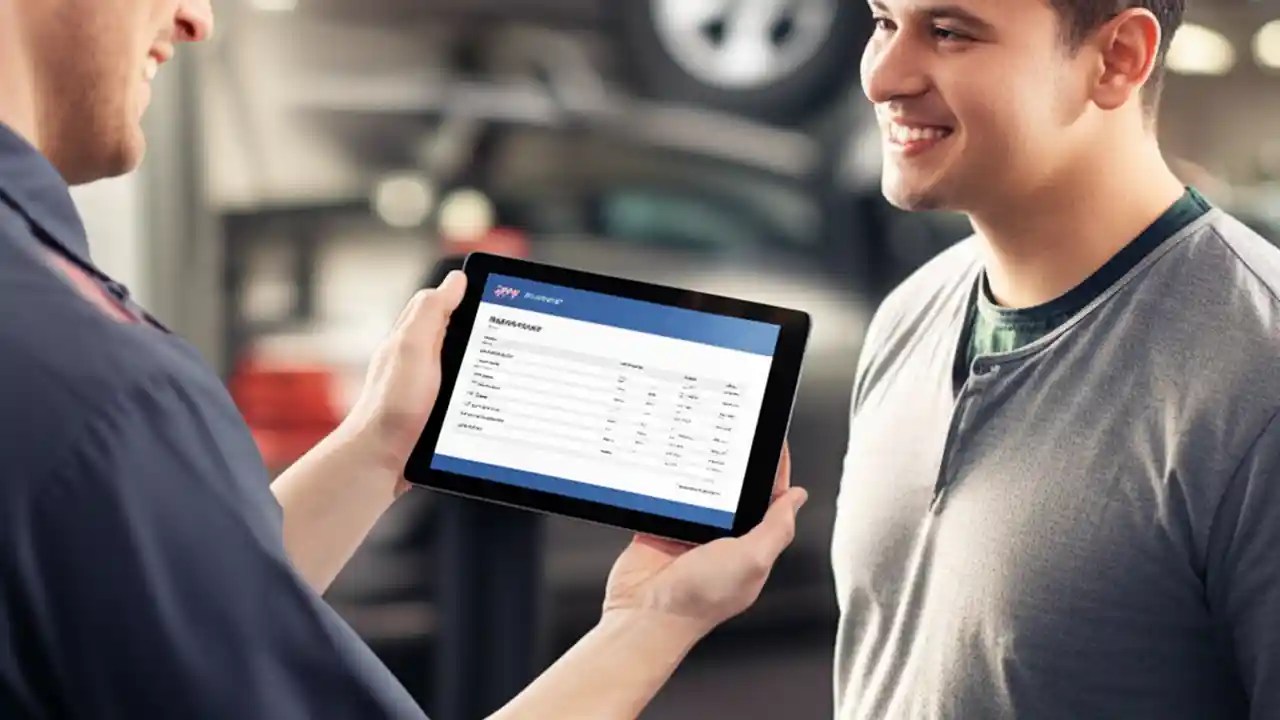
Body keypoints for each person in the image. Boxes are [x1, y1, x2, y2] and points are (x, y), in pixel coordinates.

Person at [0, 1, 809, 718]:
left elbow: (165, 624)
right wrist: (654, 618)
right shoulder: (108, 393)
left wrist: (379, 445)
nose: (196, 18)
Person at [834, 0, 1280, 717]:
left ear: (1117, 58)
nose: (883, 76)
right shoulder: (906, 317)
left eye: (948, 33)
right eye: (884, 21)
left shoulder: (1260, 378)